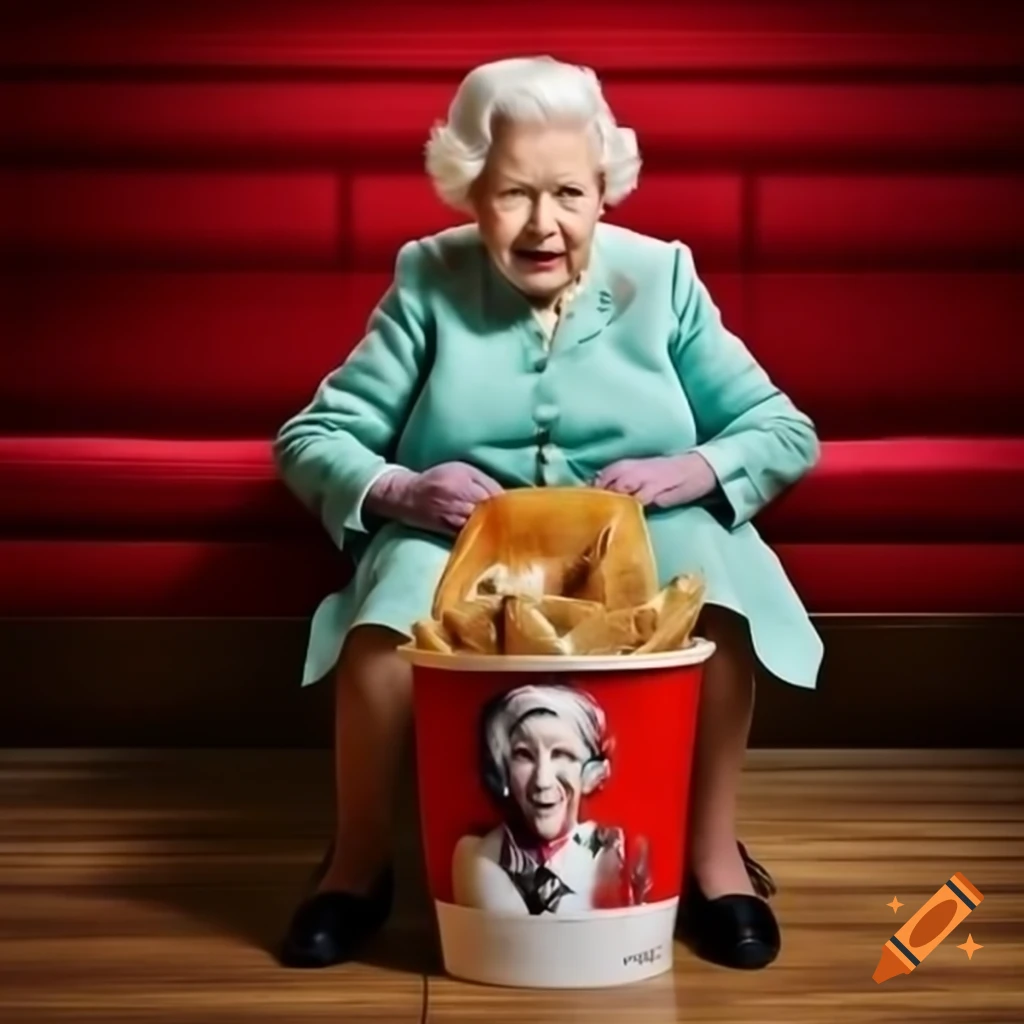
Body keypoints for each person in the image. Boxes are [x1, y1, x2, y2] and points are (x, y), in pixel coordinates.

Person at [275, 55, 822, 971]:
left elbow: (781, 428)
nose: (543, 224)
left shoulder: (665, 275)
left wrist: (694, 466)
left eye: (569, 192)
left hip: (641, 528)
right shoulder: (427, 278)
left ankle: (713, 854)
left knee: (716, 600)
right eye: (511, 194)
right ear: (469, 192)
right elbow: (314, 434)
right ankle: (358, 865)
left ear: (606, 189)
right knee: (381, 627)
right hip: (464, 536)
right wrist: (403, 489)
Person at [452, 684, 649, 916]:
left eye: (562, 755)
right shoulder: (479, 855)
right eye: (524, 755)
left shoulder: (618, 852)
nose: (543, 780)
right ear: (502, 771)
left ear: (592, 773)